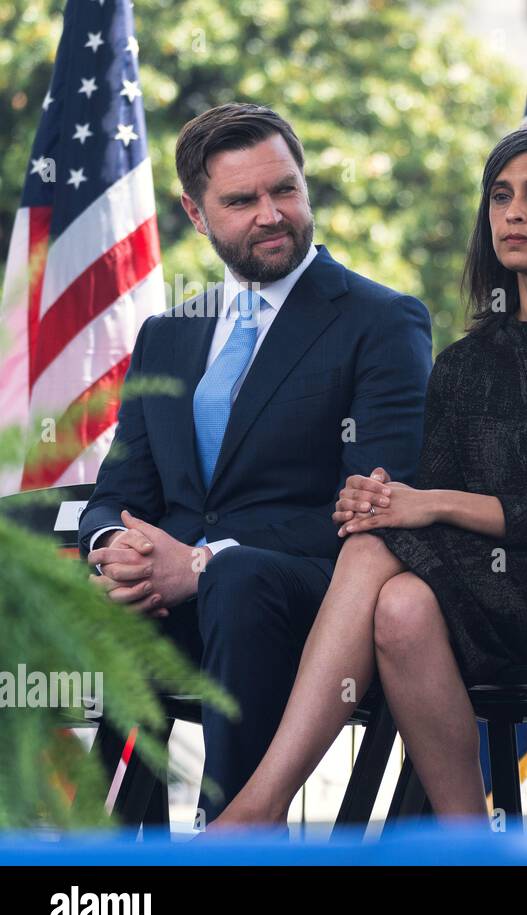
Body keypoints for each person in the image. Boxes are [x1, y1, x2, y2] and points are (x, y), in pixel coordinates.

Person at [207, 119, 527, 827]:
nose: (512, 213)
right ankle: (466, 841)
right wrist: (380, 500)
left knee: (379, 549)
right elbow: (425, 512)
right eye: (499, 195)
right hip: (486, 589)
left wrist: (428, 505)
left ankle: (259, 806)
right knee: (396, 601)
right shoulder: (465, 362)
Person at [79, 103, 433, 821]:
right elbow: (118, 491)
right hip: (168, 605)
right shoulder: (167, 334)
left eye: (286, 191)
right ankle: (96, 856)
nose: (272, 215)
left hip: (308, 600)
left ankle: (240, 834)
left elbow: (377, 505)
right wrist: (118, 546)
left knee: (235, 580)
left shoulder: (380, 321)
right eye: (242, 201)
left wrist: (204, 561)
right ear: (196, 212)